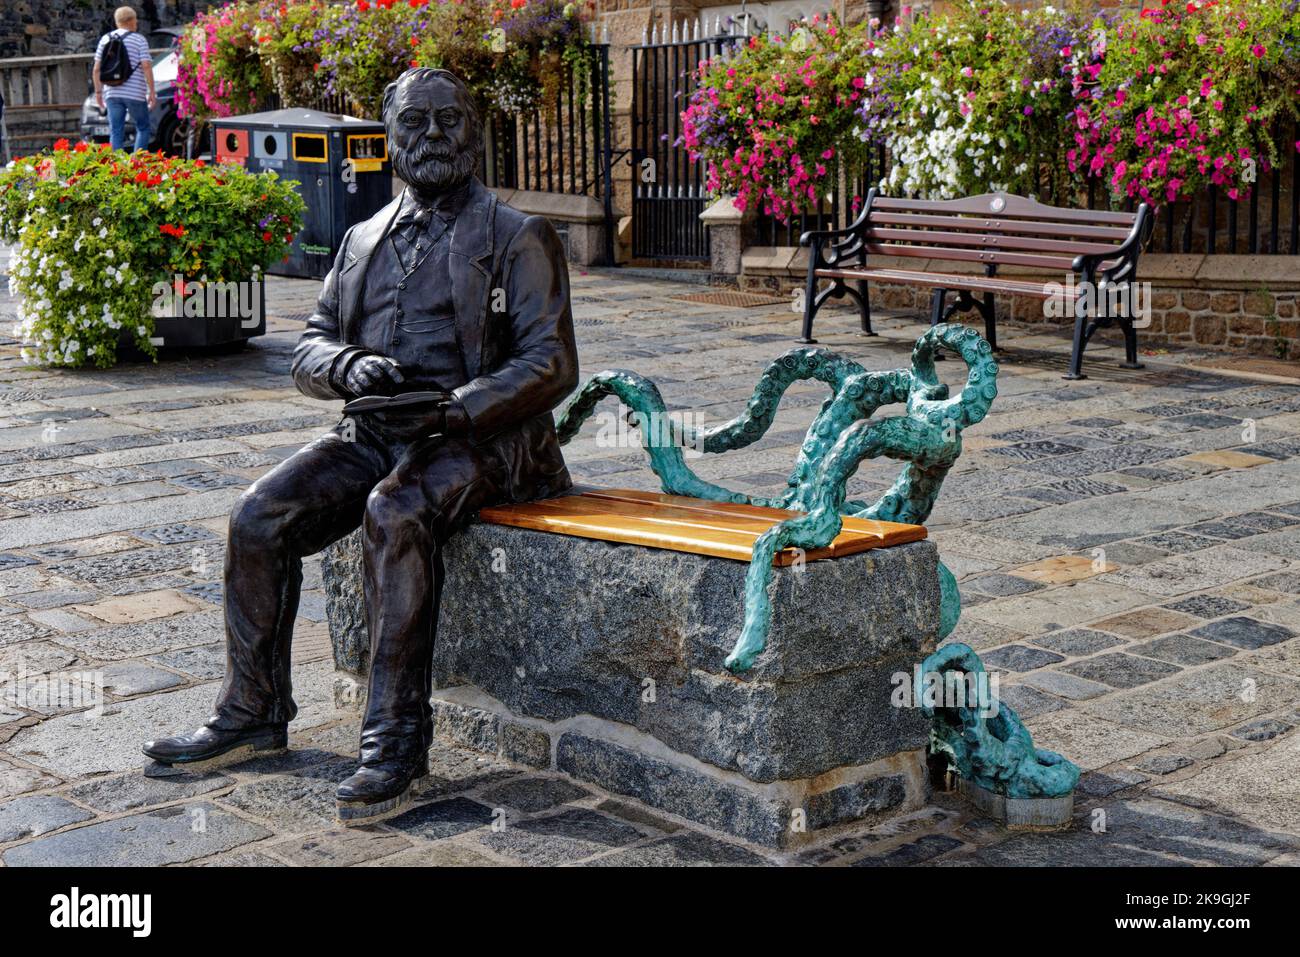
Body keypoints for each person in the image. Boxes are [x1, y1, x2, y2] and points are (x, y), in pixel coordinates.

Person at [142, 67, 579, 822]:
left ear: (472, 131)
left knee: (394, 509)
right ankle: (253, 708)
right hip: (374, 430)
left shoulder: (517, 236)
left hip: (485, 440)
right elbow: (311, 344)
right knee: (257, 512)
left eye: (450, 120)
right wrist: (348, 364)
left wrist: (455, 409)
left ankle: (395, 740)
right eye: (415, 123)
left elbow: (550, 363)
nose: (433, 136)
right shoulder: (360, 238)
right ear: (388, 137)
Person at [93, 6, 156, 152]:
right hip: (135, 93)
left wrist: (98, 92)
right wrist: (151, 91)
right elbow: (146, 66)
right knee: (143, 127)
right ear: (132, 21)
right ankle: (136, 164)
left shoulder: (105, 39)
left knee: (116, 130)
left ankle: (117, 167)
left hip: (112, 93)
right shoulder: (139, 40)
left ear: (117, 22)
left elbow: (96, 69)